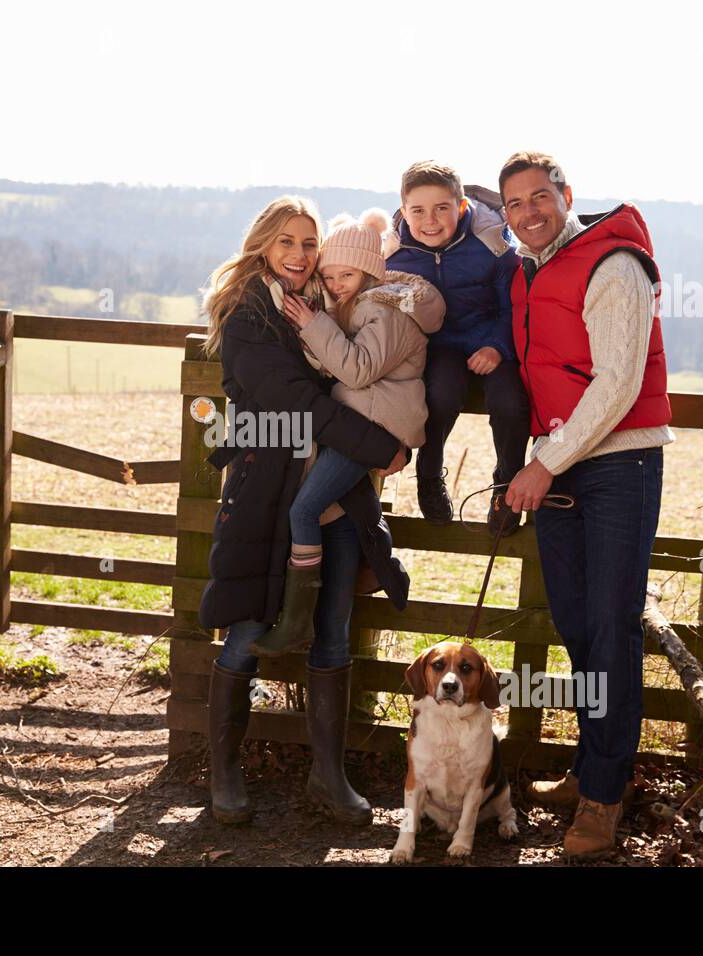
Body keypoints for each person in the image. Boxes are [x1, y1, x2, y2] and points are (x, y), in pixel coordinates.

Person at [197, 196, 410, 826]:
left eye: (309, 243)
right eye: (286, 242)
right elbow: (289, 397)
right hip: (271, 483)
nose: (299, 254)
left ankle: (328, 774)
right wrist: (378, 444)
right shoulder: (246, 316)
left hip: (337, 487)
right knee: (247, 617)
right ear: (263, 245)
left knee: (336, 622)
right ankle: (225, 770)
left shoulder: (322, 307)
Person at [499, 151, 674, 860]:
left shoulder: (614, 263)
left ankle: (604, 797)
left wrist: (542, 463)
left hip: (619, 464)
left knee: (610, 625)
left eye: (541, 197)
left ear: (567, 196)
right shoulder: (527, 272)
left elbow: (617, 384)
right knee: (576, 625)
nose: (529, 212)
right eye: (514, 203)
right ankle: (591, 769)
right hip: (564, 462)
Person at [248, 214, 444, 657]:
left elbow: (356, 370)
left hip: (376, 427)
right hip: (361, 423)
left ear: (370, 272)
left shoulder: (383, 311)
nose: (336, 284)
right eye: (329, 275)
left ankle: (297, 620)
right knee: (349, 511)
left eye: (347, 274)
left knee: (305, 509)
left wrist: (312, 324)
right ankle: (381, 570)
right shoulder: (354, 306)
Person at [386, 161, 529, 534]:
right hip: (438, 348)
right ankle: (430, 475)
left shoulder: (493, 245)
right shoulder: (394, 253)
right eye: (418, 210)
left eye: (442, 208)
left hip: (490, 340)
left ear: (462, 207)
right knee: (441, 393)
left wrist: (497, 346)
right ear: (404, 212)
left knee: (511, 402)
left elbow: (511, 306)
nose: (429, 220)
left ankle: (507, 489)